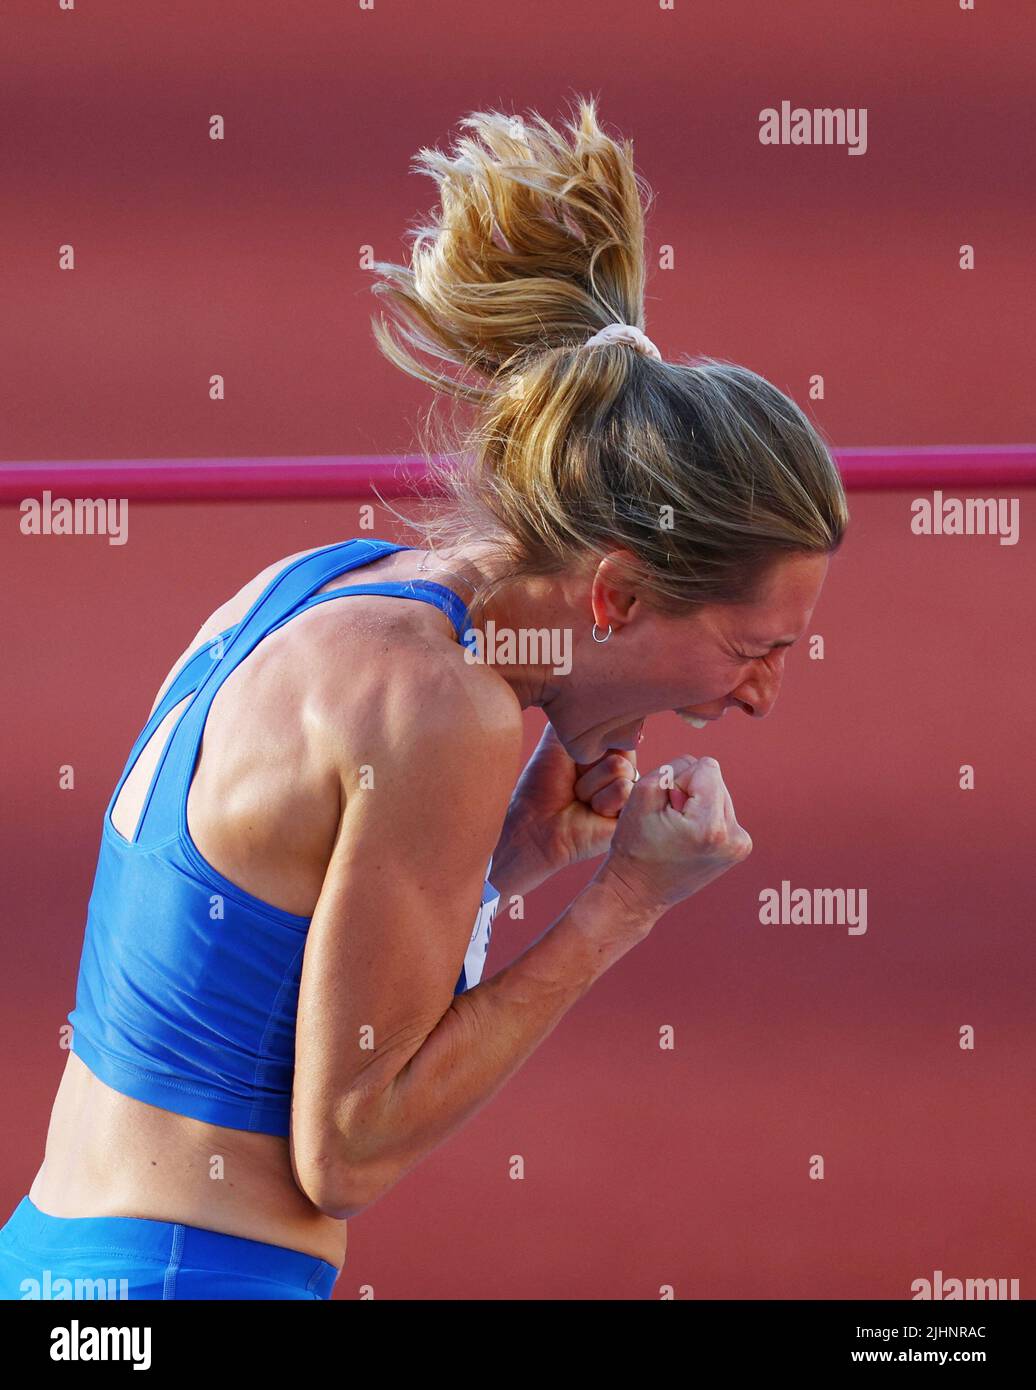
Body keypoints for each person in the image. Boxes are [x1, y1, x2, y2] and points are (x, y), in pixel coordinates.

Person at [0, 97, 847, 1300]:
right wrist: (620, 907)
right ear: (612, 596)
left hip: (59, 1267)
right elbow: (347, 1143)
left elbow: (251, 940)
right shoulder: (446, 709)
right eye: (752, 647)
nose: (758, 696)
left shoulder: (318, 589)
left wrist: (496, 861)